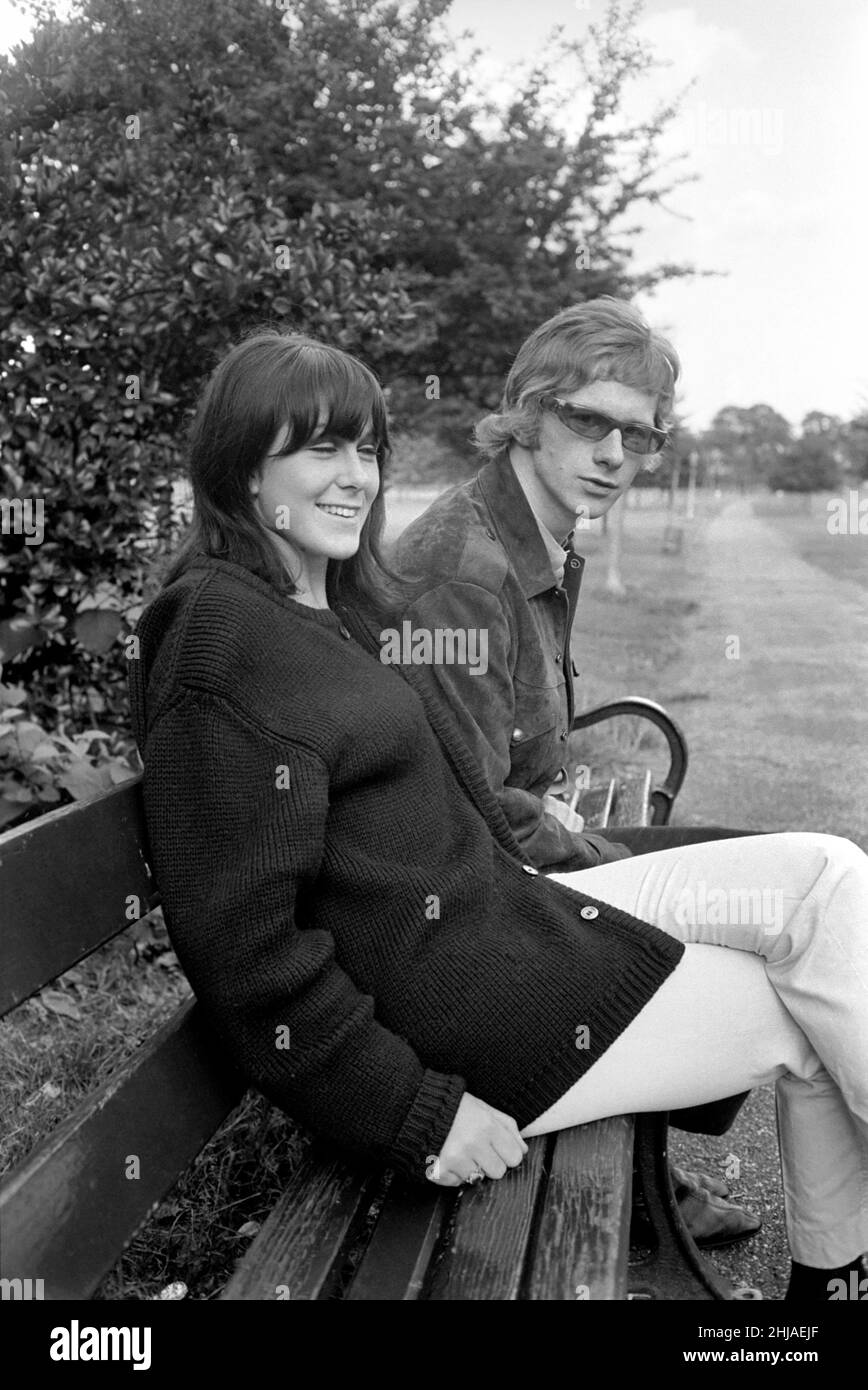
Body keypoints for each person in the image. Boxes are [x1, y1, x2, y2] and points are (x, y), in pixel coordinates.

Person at [128, 330, 868, 1302]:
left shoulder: (322, 602)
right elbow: (245, 953)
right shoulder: (220, 641)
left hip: (505, 925)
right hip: (476, 1008)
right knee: (816, 1006)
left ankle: (834, 1288)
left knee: (829, 885)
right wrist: (416, 1112)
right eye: (320, 448)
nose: (355, 476)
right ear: (240, 465)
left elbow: (443, 792)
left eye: (367, 449)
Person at [391, 298, 759, 1247]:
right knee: (775, 921)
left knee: (790, 880)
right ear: (528, 410)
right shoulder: (465, 566)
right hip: (472, 915)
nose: (613, 454)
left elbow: (513, 753)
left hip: (519, 853)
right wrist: (596, 847)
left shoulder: (532, 532)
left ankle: (649, 1171)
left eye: (639, 436)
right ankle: (650, 1177)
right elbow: (478, 814)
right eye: (588, 420)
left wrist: (567, 815)